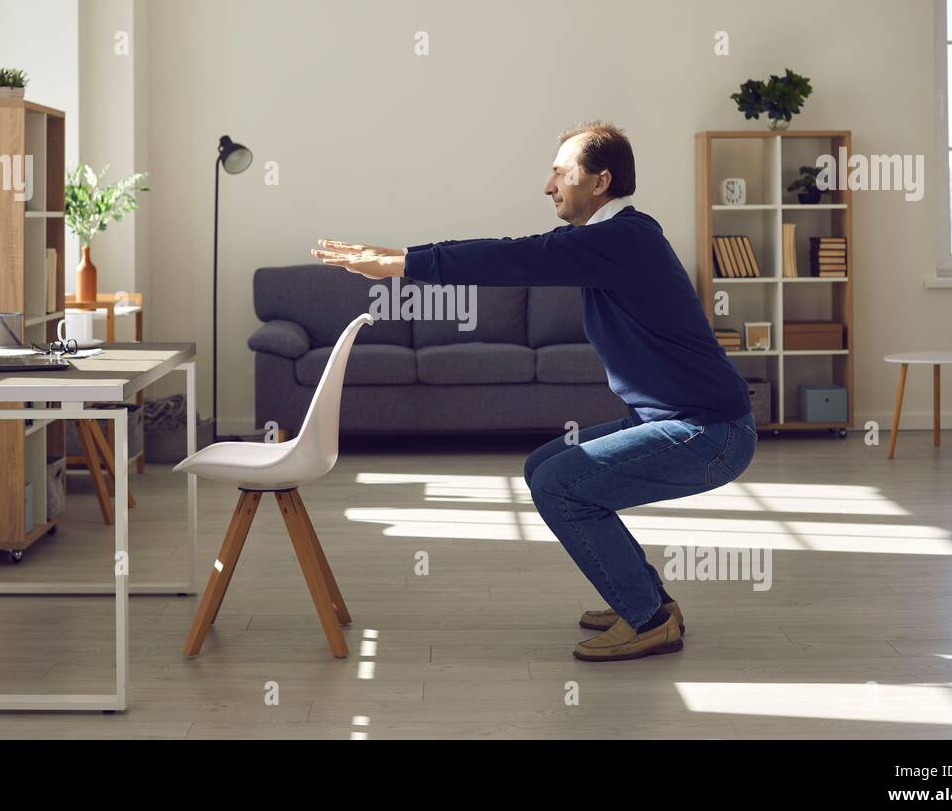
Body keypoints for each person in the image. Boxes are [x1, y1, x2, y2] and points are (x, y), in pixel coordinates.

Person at [312, 121, 756, 662]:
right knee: (544, 466)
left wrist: (402, 262)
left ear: (600, 182)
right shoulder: (613, 239)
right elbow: (520, 254)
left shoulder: (622, 238)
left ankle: (650, 621)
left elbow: (515, 257)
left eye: (560, 173)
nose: (549, 187)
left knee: (561, 484)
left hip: (709, 432)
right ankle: (645, 599)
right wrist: (403, 258)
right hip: (674, 420)